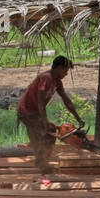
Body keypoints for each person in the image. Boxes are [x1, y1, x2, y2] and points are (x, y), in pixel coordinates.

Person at [16, 55, 84, 183]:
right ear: (59, 68)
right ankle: (42, 164)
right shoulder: (46, 78)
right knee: (45, 134)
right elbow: (41, 103)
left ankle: (42, 162)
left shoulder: (57, 82)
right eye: (65, 70)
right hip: (27, 111)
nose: (66, 74)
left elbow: (66, 101)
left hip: (35, 112)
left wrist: (78, 118)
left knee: (50, 133)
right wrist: (45, 122)